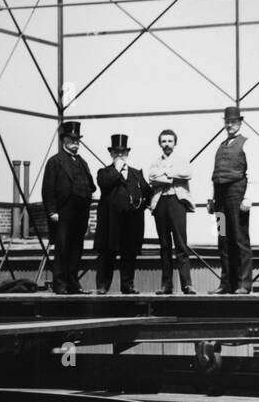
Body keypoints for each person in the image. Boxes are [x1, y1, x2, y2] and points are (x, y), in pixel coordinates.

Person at [42, 119, 96, 294]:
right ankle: (60, 284)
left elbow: (91, 185)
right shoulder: (55, 162)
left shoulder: (82, 162)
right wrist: (52, 211)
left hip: (81, 212)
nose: (75, 143)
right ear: (64, 140)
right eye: (72, 140)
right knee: (62, 247)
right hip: (64, 211)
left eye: (77, 140)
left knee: (76, 248)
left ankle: (73, 283)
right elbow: (48, 189)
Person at [94, 134, 150, 294]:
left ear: (127, 153)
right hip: (111, 221)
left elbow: (147, 192)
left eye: (123, 152)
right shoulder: (104, 172)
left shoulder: (136, 173)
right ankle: (103, 285)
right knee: (107, 253)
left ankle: (127, 285)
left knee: (129, 254)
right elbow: (104, 183)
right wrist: (117, 169)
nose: (120, 155)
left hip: (132, 221)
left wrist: (142, 205)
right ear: (111, 153)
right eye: (116, 152)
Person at [147, 128, 196, 295]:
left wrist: (165, 174)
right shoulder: (155, 162)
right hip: (160, 202)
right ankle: (166, 285)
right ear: (160, 144)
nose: (167, 144)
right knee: (164, 245)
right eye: (164, 141)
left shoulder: (182, 160)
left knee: (181, 244)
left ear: (175, 143)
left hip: (177, 201)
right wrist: (173, 176)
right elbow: (151, 177)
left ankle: (187, 284)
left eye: (170, 141)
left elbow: (187, 173)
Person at [211, 106, 253, 294]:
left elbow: (252, 172)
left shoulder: (247, 143)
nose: (230, 125)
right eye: (227, 122)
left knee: (239, 238)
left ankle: (244, 284)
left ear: (240, 123)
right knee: (223, 238)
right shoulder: (221, 145)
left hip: (237, 194)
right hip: (219, 198)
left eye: (233, 122)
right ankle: (226, 283)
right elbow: (215, 174)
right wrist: (211, 199)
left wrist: (248, 197)